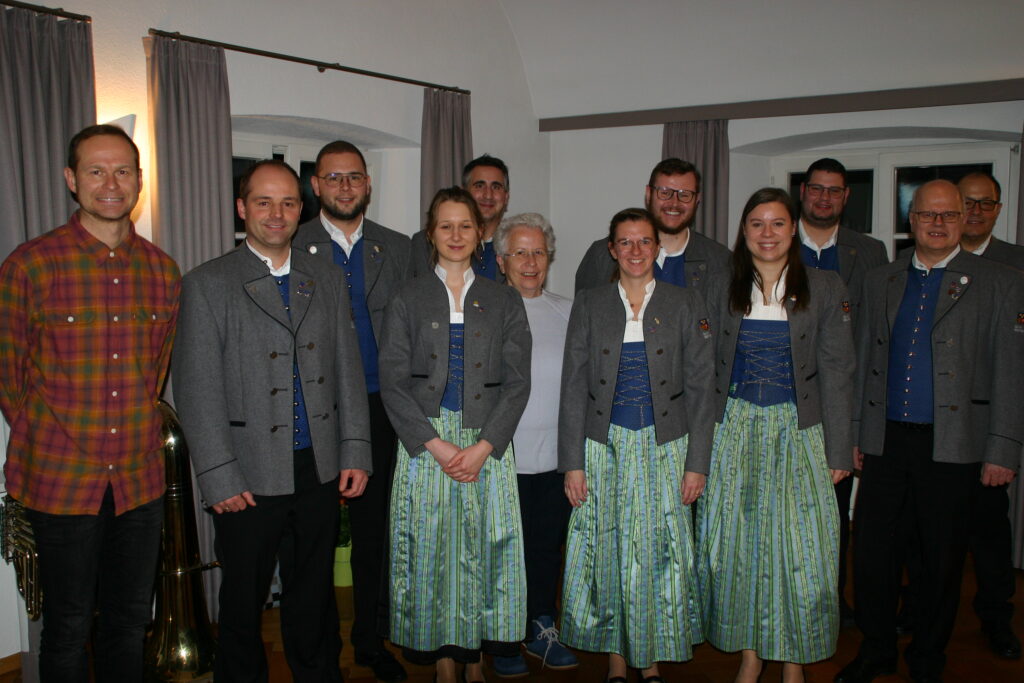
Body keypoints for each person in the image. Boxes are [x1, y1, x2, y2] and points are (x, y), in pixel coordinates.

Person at [172, 159, 372, 683]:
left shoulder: (325, 278)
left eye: (287, 202)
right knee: (242, 602)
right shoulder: (207, 283)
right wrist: (218, 476)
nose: (276, 213)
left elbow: (348, 369)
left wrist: (354, 449)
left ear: (300, 207)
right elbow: (196, 390)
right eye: (263, 202)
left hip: (319, 468)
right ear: (242, 209)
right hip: (246, 475)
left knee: (313, 595)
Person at [0, 124, 180, 683]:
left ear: (140, 181)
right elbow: (10, 378)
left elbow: (156, 371)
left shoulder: (163, 271)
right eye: (97, 171)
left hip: (138, 482)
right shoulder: (29, 265)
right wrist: (50, 437)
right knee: (67, 626)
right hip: (61, 480)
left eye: (123, 170)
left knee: (129, 623)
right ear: (71, 179)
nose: (111, 183)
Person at [836, 180, 1024, 683]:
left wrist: (1002, 446)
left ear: (964, 219)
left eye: (948, 215)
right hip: (885, 442)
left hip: (955, 445)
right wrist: (854, 433)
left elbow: (1012, 371)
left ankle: (927, 657)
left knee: (940, 561)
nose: (937, 224)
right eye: (926, 215)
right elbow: (863, 362)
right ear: (911, 221)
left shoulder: (1001, 282)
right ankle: (876, 651)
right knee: (873, 555)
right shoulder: (881, 280)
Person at [696, 188, 854, 683]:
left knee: (803, 549)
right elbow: (702, 369)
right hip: (736, 429)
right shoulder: (720, 286)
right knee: (740, 546)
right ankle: (750, 655)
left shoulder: (825, 287)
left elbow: (838, 371)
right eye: (757, 224)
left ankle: (794, 659)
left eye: (778, 223)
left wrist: (838, 448)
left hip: (799, 429)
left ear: (794, 229)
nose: (768, 234)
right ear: (743, 232)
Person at [379, 186, 531, 683]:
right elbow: (393, 380)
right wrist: (436, 444)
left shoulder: (504, 299)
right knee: (432, 553)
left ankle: (476, 660)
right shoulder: (408, 296)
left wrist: (485, 446)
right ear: (431, 234)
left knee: (485, 552)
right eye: (445, 226)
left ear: (480, 232)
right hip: (428, 444)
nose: (456, 235)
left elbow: (517, 381)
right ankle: (445, 661)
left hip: (487, 442)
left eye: (465, 225)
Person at [559, 207, 715, 682]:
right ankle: (616, 660)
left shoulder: (685, 302)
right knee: (608, 552)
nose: (635, 251)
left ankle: (649, 661)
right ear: (611, 249)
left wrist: (697, 463)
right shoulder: (589, 303)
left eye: (644, 241)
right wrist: (573, 463)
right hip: (602, 445)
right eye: (625, 242)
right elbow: (572, 386)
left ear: (658, 247)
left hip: (666, 446)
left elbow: (703, 389)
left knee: (659, 553)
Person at [293, 140, 410, 682]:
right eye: (333, 177)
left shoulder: (399, 247)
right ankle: (321, 649)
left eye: (354, 177)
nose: (344, 187)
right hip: (315, 408)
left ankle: (370, 639)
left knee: (373, 532)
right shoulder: (292, 244)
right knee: (313, 534)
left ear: (368, 184)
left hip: (382, 406)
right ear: (315, 185)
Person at [797, 157, 888, 626]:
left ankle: (828, 600)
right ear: (803, 191)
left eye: (834, 190)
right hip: (781, 406)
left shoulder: (869, 252)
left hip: (839, 408)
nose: (824, 198)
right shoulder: (771, 239)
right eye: (817, 188)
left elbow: (876, 338)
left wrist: (858, 426)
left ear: (846, 196)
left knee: (831, 517)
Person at [488, 213, 578, 678]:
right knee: (501, 551)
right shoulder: (484, 308)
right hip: (500, 456)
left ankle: (541, 626)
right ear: (501, 260)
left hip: (554, 456)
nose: (529, 261)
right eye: (519, 252)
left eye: (538, 252)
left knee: (545, 547)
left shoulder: (568, 310)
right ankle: (501, 637)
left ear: (549, 258)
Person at [955, 170, 1023, 660]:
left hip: (983, 430)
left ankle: (997, 618)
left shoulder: (1016, 267)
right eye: (967, 203)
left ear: (998, 209)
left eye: (986, 203)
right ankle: (916, 612)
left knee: (990, 535)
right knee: (923, 532)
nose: (975, 211)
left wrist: (1004, 441)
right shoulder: (921, 263)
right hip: (930, 430)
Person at [574, 158, 730, 293]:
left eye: (684, 195)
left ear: (697, 200)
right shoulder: (602, 256)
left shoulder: (721, 262)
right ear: (648, 194)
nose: (674, 203)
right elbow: (584, 319)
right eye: (664, 192)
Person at [410, 154, 510, 281]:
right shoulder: (423, 244)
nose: (488, 195)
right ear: (465, 192)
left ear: (506, 197)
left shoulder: (515, 246)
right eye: (479, 186)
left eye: (496, 187)